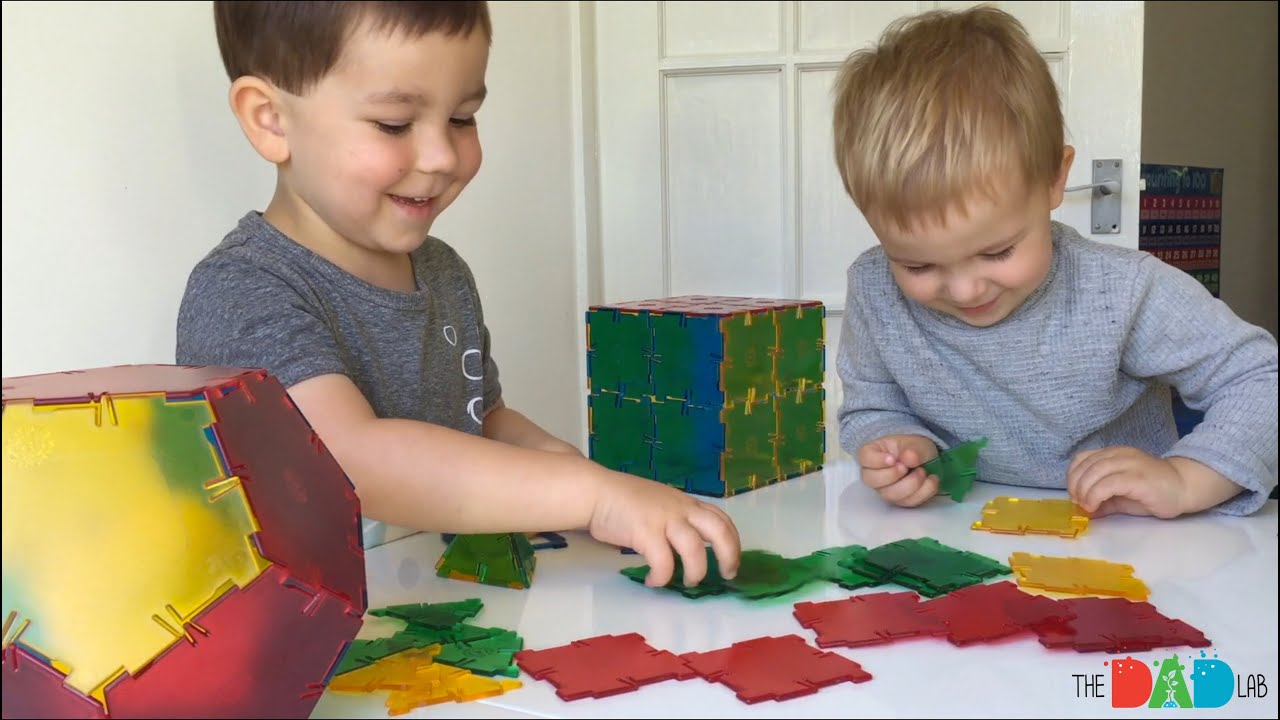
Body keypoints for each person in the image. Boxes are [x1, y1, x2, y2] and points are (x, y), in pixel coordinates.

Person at [175, 1, 739, 586]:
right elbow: (346, 458)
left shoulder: (442, 271)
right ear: (270, 119)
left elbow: (481, 421)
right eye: (394, 123)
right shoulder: (245, 289)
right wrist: (588, 495)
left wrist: (572, 472)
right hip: (319, 646)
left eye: (463, 117)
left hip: (452, 614)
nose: (443, 157)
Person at [830, 6, 1278, 519]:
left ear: (1054, 180)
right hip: (965, 534)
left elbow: (1261, 380)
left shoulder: (1121, 291)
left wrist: (1185, 478)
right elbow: (872, 404)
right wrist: (898, 444)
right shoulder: (873, 288)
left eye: (997, 252)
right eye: (918, 266)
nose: (964, 289)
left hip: (1130, 540)